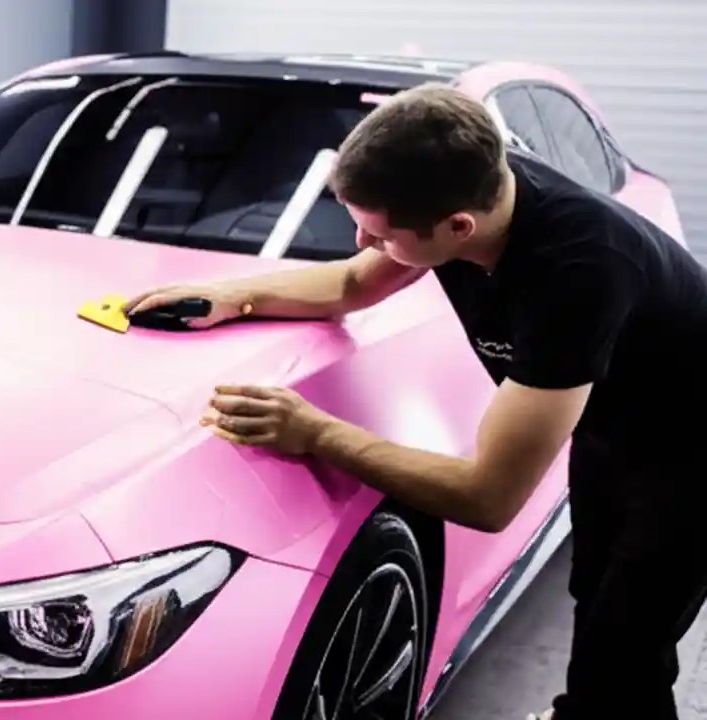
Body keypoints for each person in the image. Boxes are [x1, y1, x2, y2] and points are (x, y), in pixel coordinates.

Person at [123, 82, 707, 719]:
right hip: (616, 423)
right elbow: (350, 283)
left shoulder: (577, 273)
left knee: (627, 639)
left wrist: (316, 431)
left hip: (689, 444)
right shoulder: (468, 190)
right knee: (594, 593)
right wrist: (236, 296)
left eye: (378, 233)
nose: (361, 244)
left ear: (458, 228)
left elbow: (487, 498)